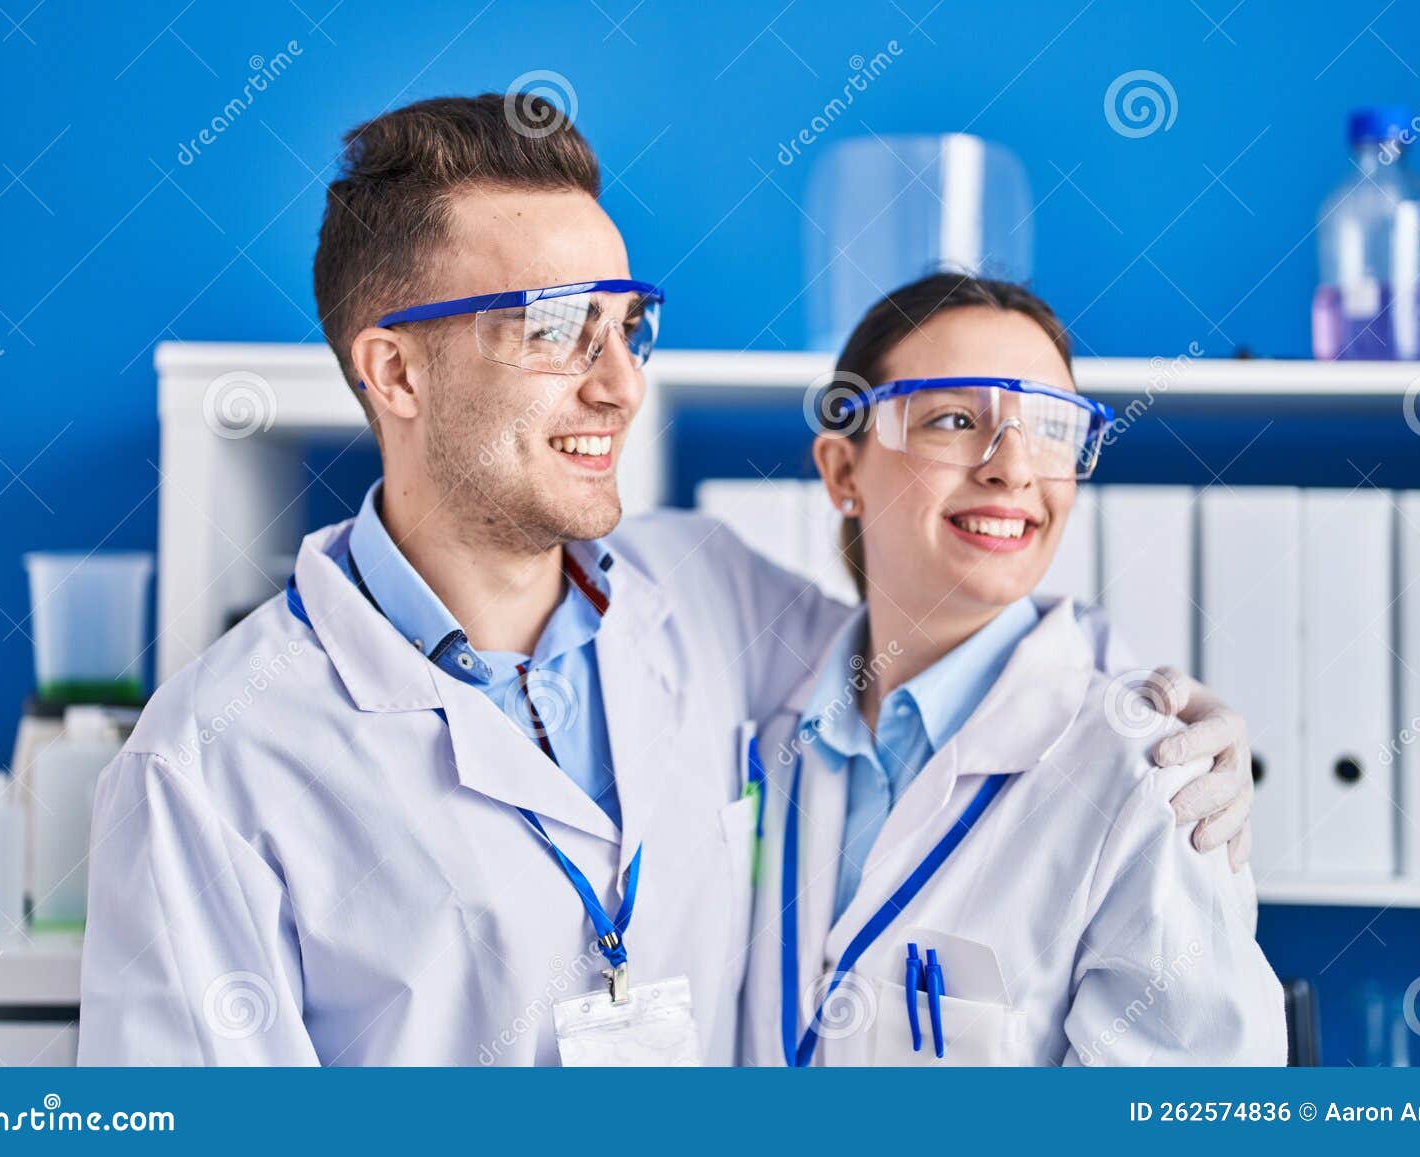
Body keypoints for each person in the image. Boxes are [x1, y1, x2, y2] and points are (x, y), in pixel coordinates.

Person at [78, 96, 1253, 1065]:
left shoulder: (698, 594)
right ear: (395, 370)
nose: (618, 385)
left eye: (625, 324)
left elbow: (944, 640)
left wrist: (1167, 724)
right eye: (552, 331)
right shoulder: (211, 760)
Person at [741, 274, 1285, 1067]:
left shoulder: (1149, 776)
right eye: (956, 419)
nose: (1013, 468)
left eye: (1051, 428)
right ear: (842, 472)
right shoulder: (770, 722)